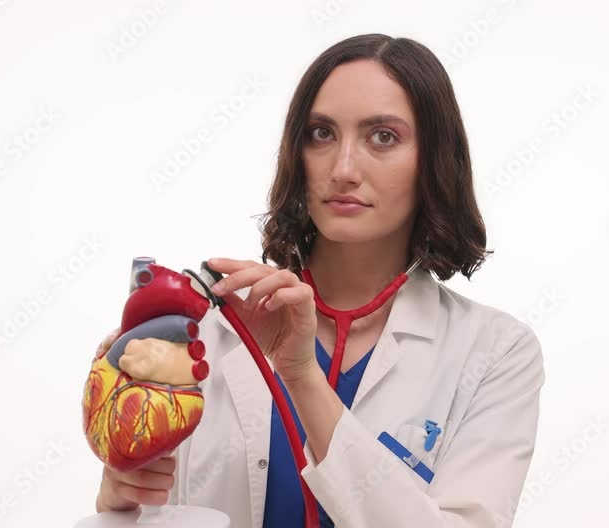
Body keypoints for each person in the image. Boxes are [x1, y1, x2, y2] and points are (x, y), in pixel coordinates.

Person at [95, 33, 545, 528]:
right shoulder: (203, 334)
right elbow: (155, 508)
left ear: (434, 161)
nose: (343, 169)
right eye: (322, 134)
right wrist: (120, 502)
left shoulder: (495, 353)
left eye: (383, 137)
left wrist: (302, 377)